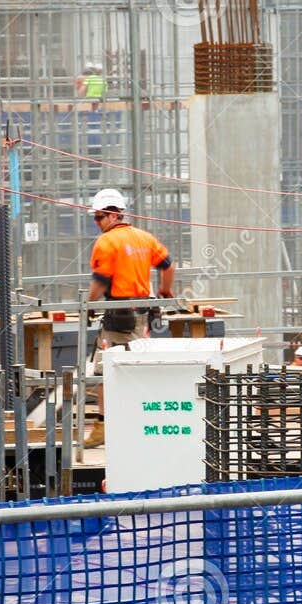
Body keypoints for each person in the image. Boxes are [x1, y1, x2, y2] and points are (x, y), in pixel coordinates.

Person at [85, 188, 173, 448]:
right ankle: (136, 422)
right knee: (135, 366)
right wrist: (165, 291)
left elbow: (101, 281)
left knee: (104, 371)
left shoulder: (106, 243)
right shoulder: (143, 238)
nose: (97, 223)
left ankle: (104, 427)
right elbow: (167, 265)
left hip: (118, 316)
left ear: (112, 215)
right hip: (142, 314)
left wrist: (89, 305)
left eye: (99, 217)